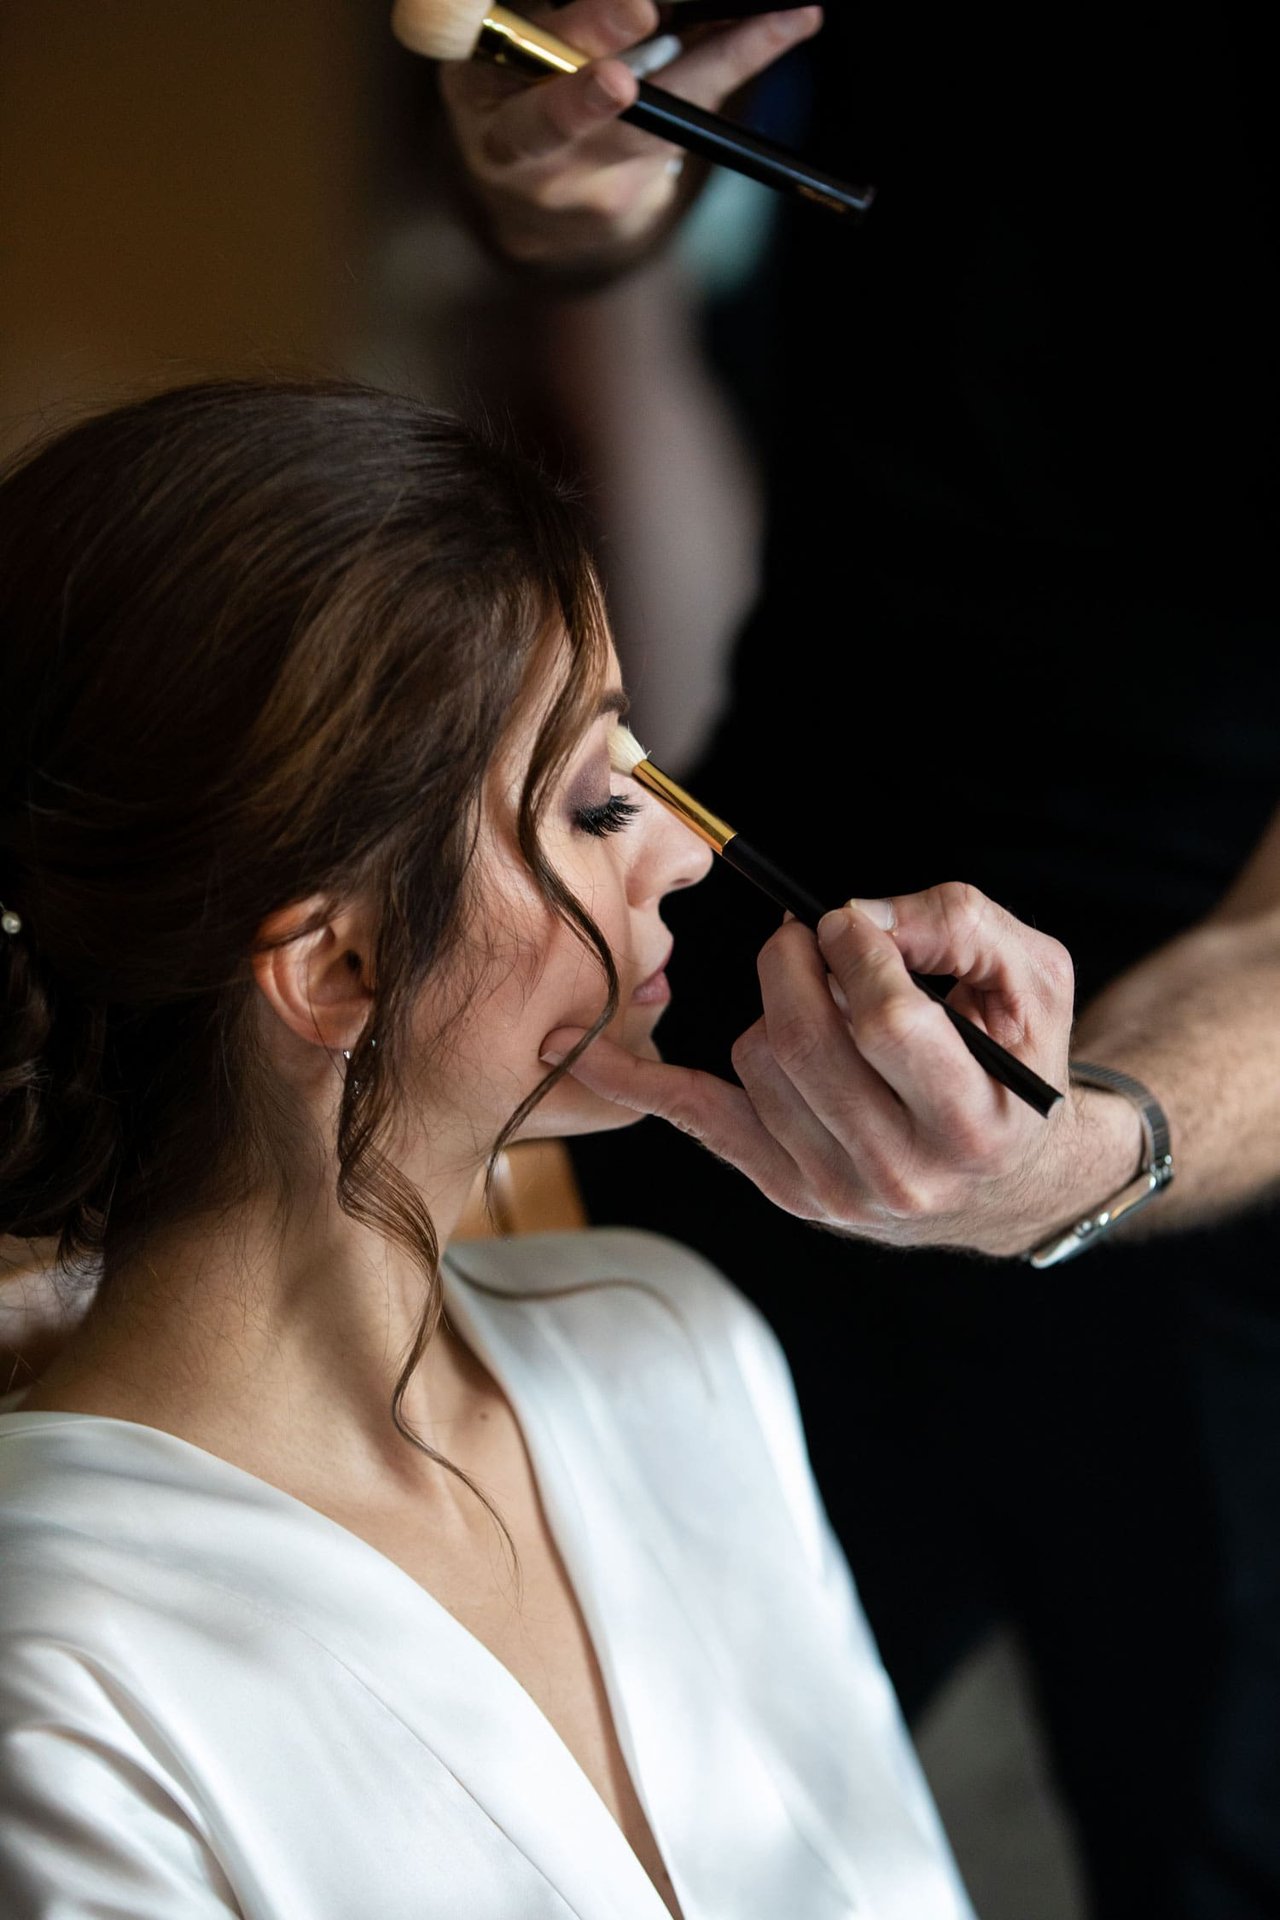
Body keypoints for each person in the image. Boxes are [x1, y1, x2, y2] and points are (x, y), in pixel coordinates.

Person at [434, 9, 1280, 1916]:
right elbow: (609, 162)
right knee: (604, 1795)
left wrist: (1087, 1152)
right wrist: (562, 184)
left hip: (1196, 1125)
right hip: (775, 919)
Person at [0, 378, 994, 1917]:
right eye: (602, 804)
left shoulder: (677, 1348)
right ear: (333, 970)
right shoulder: (59, 1677)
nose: (691, 849)